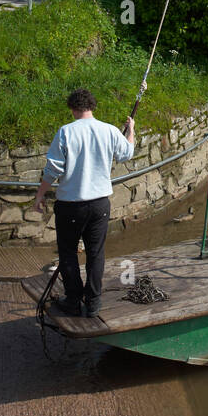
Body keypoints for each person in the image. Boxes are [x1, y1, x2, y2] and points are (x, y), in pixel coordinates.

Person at [33, 89, 135, 317]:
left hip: (71, 204)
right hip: (100, 204)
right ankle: (94, 303)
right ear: (92, 106)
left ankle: (72, 300)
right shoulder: (109, 130)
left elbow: (53, 170)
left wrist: (40, 195)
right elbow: (127, 153)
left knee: (68, 252)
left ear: (72, 108)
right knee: (96, 253)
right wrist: (132, 131)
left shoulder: (66, 132)